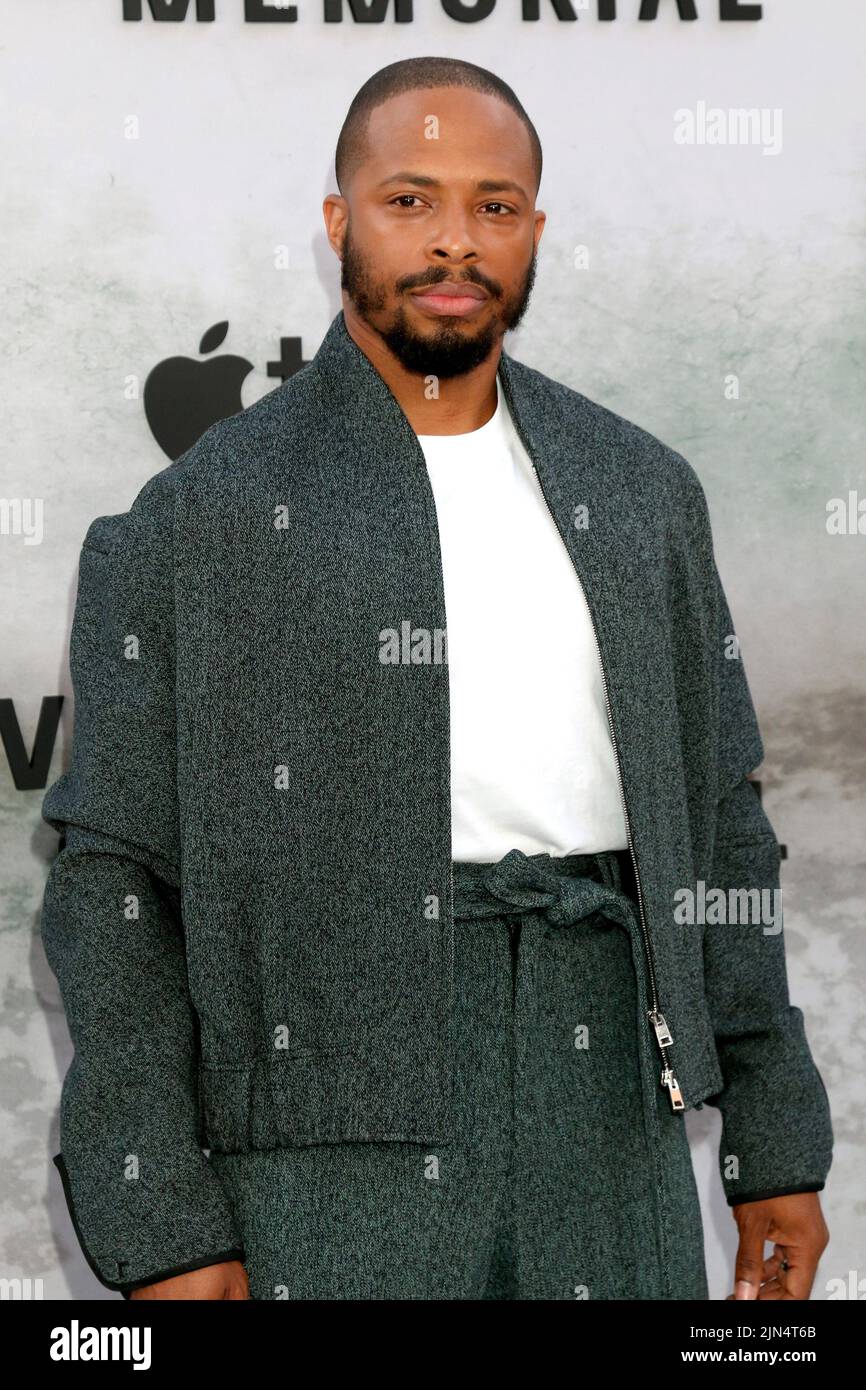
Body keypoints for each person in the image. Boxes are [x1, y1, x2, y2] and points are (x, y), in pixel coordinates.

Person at [41, 56, 832, 1301]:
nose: (454, 242)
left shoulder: (640, 494)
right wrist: (164, 1220)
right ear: (336, 222)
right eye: (409, 200)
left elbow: (724, 831)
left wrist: (772, 1140)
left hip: (608, 1104)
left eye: (494, 205)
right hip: (322, 1128)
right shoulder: (196, 521)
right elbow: (114, 886)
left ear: (533, 229)